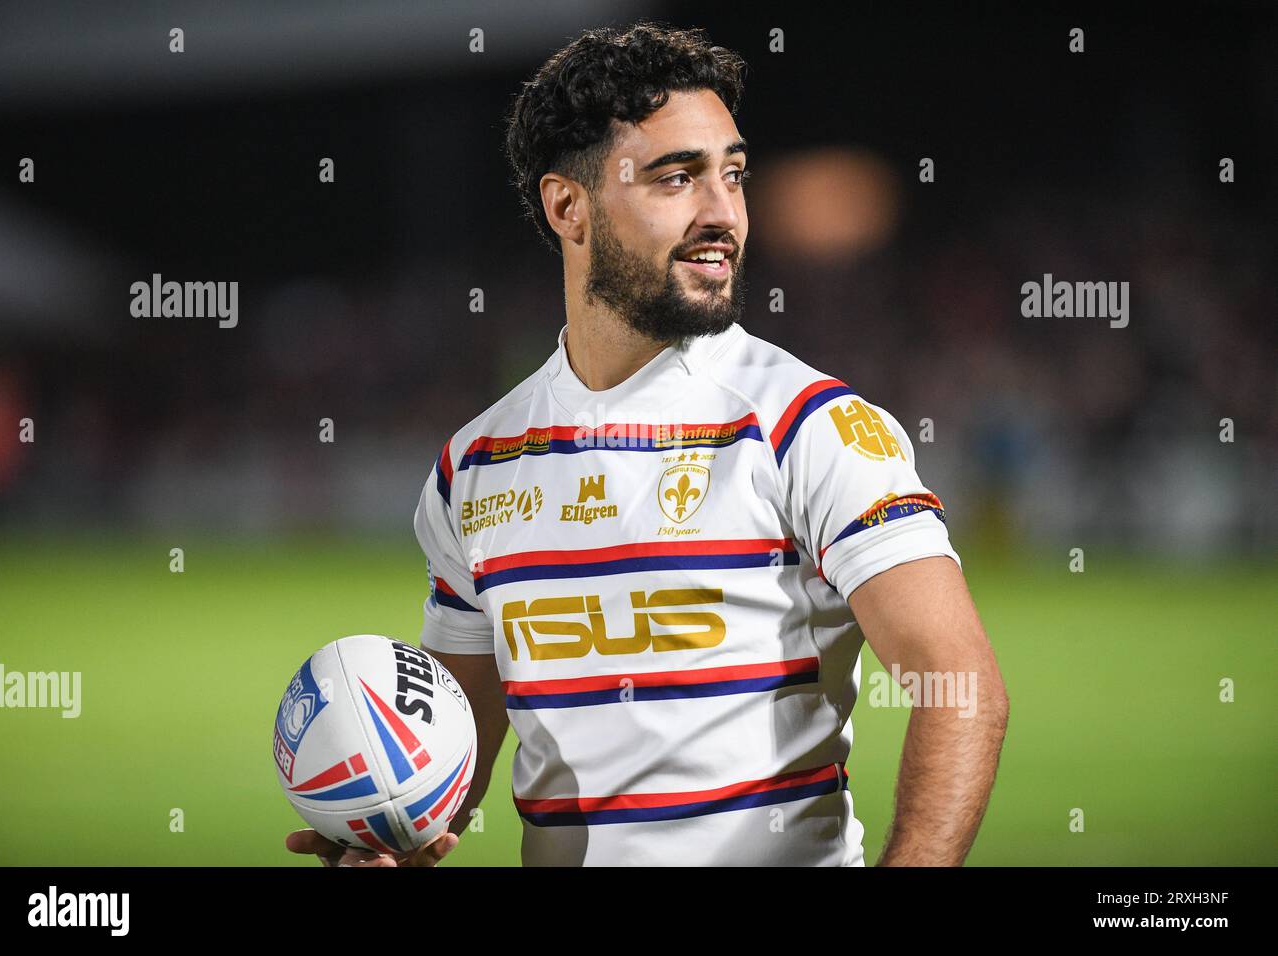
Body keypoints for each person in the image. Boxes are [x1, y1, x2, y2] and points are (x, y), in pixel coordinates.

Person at [289, 21, 1007, 868]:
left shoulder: (807, 425)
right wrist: (391, 835)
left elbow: (960, 687)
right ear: (569, 206)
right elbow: (455, 752)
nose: (723, 214)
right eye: (677, 178)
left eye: (732, 176)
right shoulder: (474, 467)